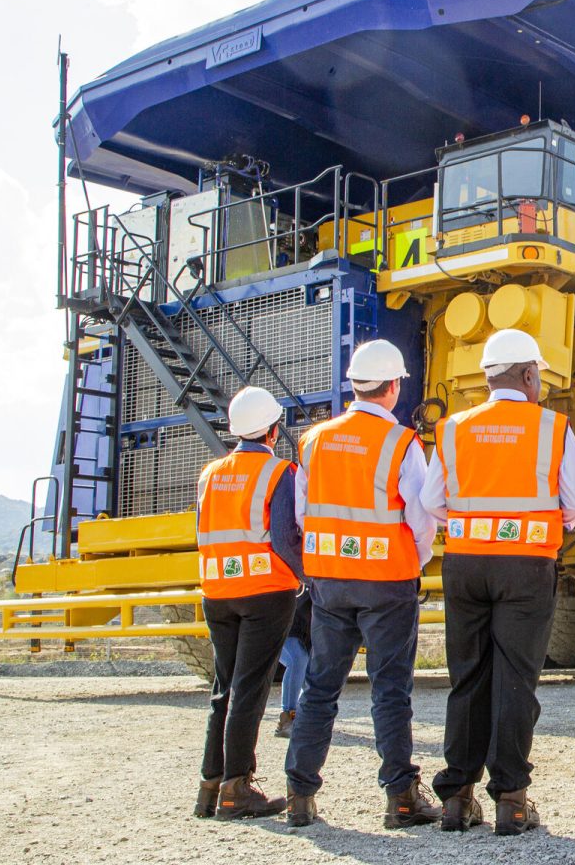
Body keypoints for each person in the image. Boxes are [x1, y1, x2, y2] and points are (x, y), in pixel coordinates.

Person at [426, 328, 575, 836]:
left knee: (467, 678)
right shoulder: (551, 427)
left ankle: (456, 796)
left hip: (466, 566)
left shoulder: (453, 428)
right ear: (527, 375)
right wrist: (549, 525)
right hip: (526, 567)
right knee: (516, 680)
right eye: (538, 373)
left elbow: (433, 503)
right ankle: (512, 801)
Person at [284, 339, 440, 830]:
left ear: (353, 386)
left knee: (320, 686)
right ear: (393, 388)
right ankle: (401, 798)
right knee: (390, 689)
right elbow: (422, 516)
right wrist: (414, 561)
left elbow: (302, 514)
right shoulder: (401, 444)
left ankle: (299, 794)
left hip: (330, 582)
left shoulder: (313, 441)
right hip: (388, 581)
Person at [193, 386, 303, 821]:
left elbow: (201, 531)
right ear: (273, 432)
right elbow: (282, 537)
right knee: (250, 690)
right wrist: (302, 576)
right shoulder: (279, 473)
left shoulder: (210, 473)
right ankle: (237, 787)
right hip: (266, 593)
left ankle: (210, 785)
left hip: (217, 592)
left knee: (224, 689)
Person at [274, 586, 311, 738]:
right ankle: (287, 717)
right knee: (297, 659)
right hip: (281, 627)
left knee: (311, 669)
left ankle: (305, 714)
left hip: (306, 631)